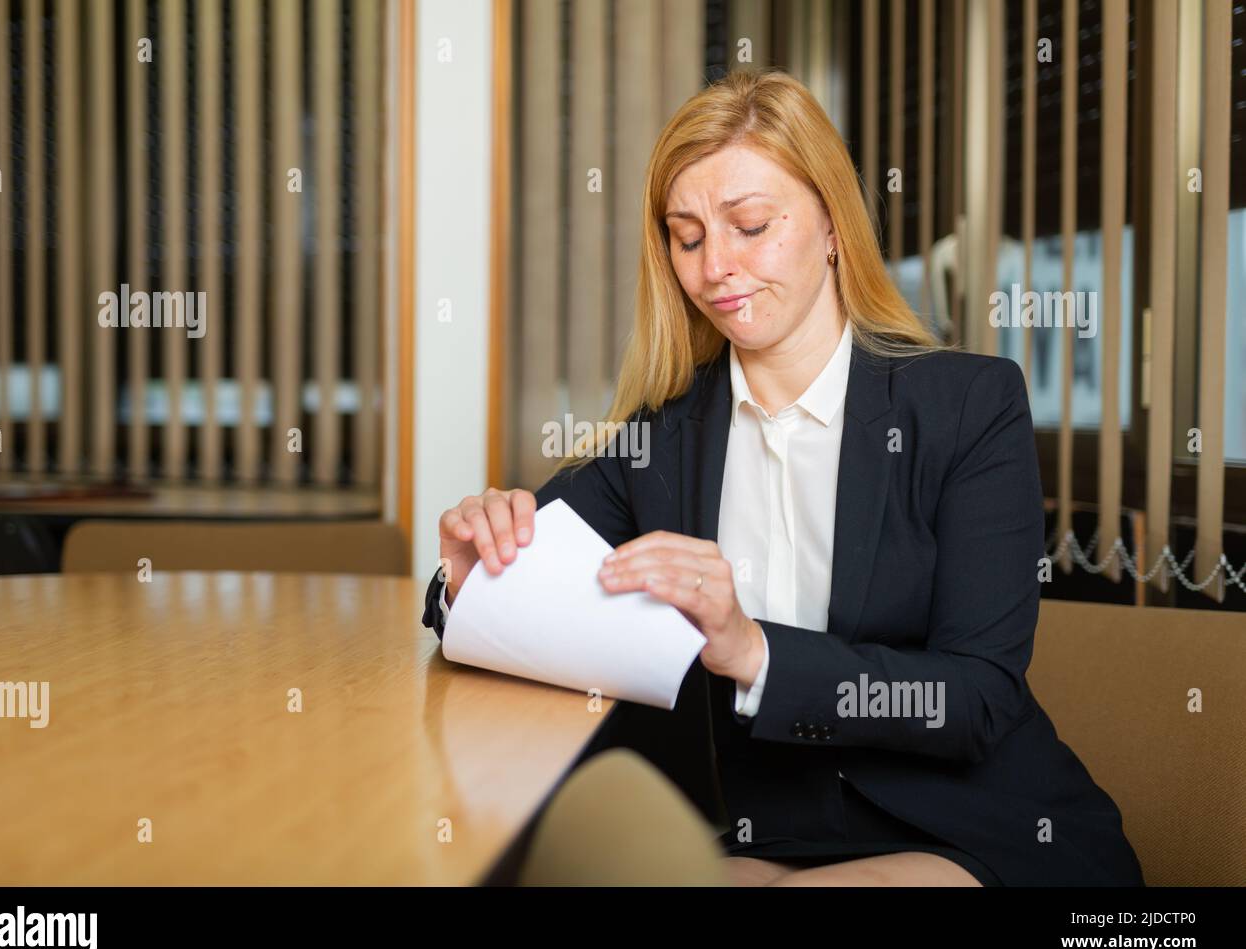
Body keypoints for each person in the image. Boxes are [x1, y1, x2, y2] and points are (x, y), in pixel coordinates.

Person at [421, 69, 1143, 887]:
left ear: (833, 224)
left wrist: (753, 650)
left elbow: (971, 699)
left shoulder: (967, 408)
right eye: (687, 237)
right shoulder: (662, 437)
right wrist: (468, 573)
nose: (716, 268)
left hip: (967, 828)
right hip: (765, 831)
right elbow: (504, 591)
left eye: (751, 225)